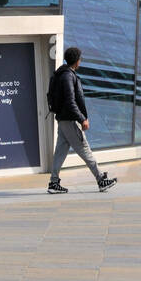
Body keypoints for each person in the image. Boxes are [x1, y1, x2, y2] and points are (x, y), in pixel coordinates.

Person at [46, 46, 116, 194]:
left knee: (60, 151)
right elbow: (70, 101)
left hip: (62, 119)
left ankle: (53, 182)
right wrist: (82, 118)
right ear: (77, 61)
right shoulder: (68, 76)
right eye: (80, 59)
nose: (81, 61)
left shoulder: (61, 73)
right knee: (84, 149)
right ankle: (100, 179)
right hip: (70, 120)